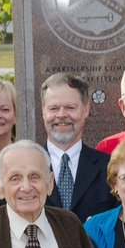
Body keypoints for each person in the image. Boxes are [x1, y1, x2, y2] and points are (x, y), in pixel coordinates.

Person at [41, 73, 112, 222]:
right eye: (53, 108)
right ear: (43, 112)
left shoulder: (109, 167)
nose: (61, 115)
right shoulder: (27, 165)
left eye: (70, 107)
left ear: (86, 110)